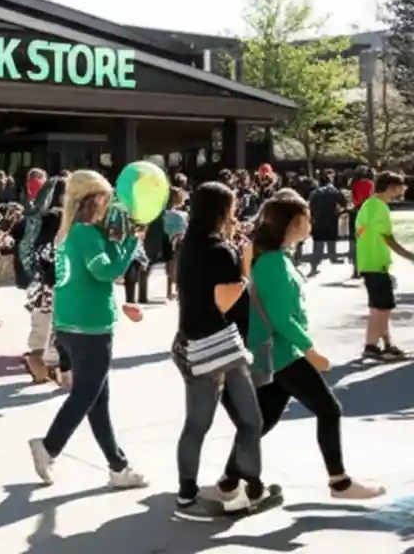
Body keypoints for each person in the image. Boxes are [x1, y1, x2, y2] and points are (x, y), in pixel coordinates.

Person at [215, 191, 385, 500]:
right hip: (282, 353)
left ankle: (229, 481)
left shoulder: (276, 258)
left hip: (276, 353)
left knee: (262, 421)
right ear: (293, 224)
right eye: (307, 218)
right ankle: (340, 481)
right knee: (329, 409)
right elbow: (282, 319)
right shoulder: (273, 264)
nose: (311, 223)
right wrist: (311, 351)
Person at [28, 170, 147, 489]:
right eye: (105, 198)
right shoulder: (84, 234)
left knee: (97, 399)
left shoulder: (73, 232)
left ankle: (118, 466)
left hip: (71, 323)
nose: (108, 205)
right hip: (89, 326)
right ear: (92, 199)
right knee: (86, 395)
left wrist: (120, 243)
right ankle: (49, 446)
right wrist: (133, 242)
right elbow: (106, 271)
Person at [172, 182, 269, 512]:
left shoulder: (190, 244)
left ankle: (186, 492)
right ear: (222, 210)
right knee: (251, 420)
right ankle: (254, 487)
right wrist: (244, 269)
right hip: (218, 346)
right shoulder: (219, 250)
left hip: (188, 341)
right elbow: (223, 302)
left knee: (196, 424)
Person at [354, 171, 412, 361]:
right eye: (400, 186)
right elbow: (388, 238)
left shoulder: (368, 205)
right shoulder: (380, 208)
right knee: (383, 308)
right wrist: (410, 256)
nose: (402, 189)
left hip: (368, 262)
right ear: (390, 187)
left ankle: (388, 344)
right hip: (376, 263)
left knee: (379, 306)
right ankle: (371, 345)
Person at [22, 178, 68, 386]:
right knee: (60, 329)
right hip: (56, 284)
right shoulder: (62, 218)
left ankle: (38, 365)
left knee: (40, 328)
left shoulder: (37, 218)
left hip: (38, 284)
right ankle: (54, 369)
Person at [307, 170, 348, 277]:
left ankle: (314, 267)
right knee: (331, 239)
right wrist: (339, 212)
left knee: (317, 246)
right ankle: (333, 257)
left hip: (318, 221)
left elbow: (309, 207)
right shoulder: (334, 191)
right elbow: (344, 204)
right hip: (331, 219)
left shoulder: (314, 193)